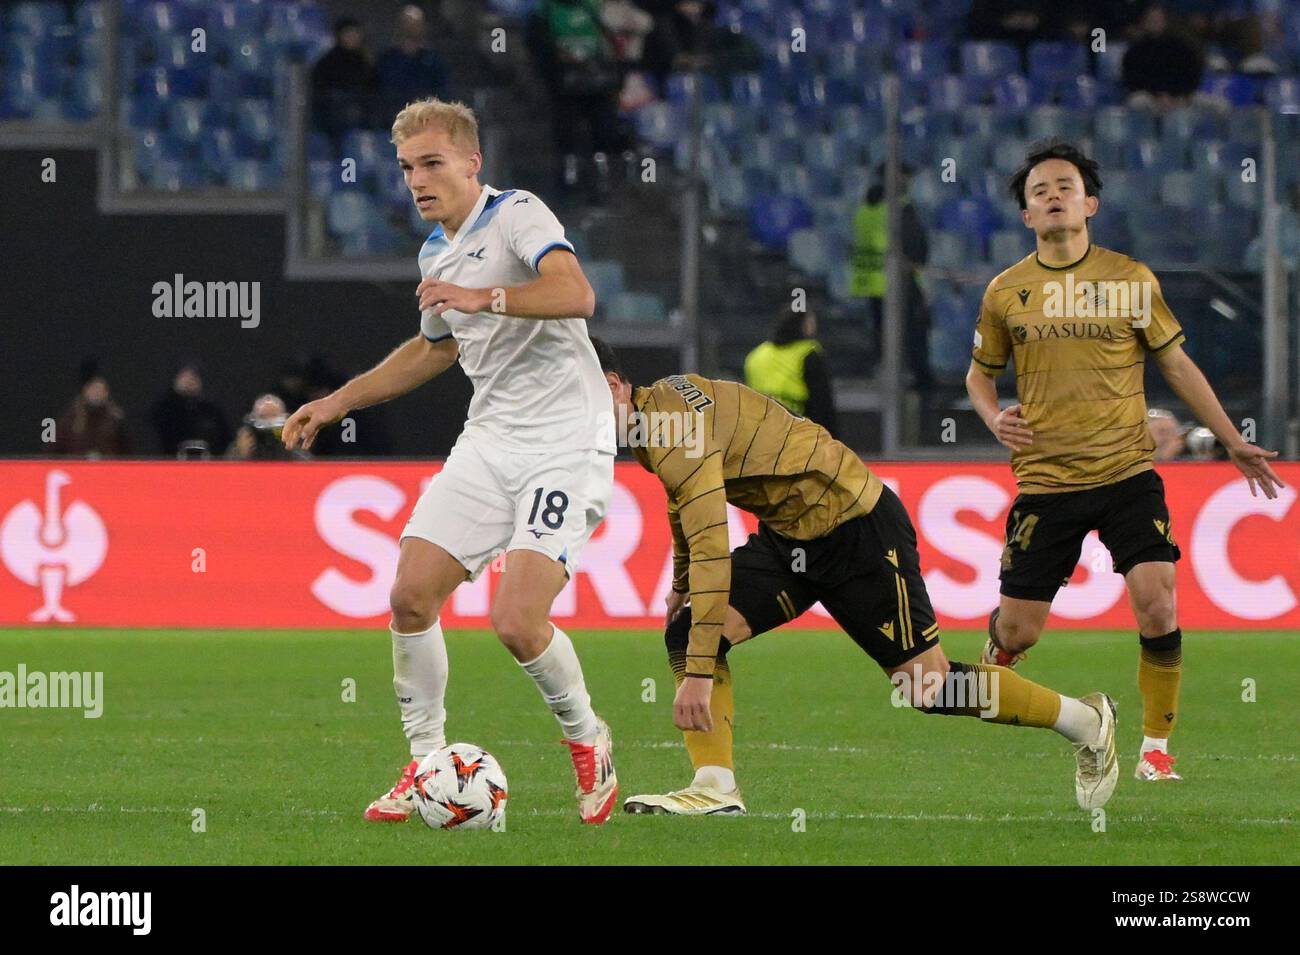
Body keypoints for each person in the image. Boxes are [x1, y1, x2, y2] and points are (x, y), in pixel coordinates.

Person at [590, 338, 1121, 816]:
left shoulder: (668, 425)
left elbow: (709, 543)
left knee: (928, 687)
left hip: (857, 528)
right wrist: (682, 584)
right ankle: (714, 787)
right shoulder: (657, 410)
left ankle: (1086, 722)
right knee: (687, 629)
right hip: (791, 537)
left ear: (613, 385)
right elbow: (685, 507)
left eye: (578, 399)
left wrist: (699, 674)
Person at [282, 98, 619, 825]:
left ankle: (589, 737)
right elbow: (436, 347)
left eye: (432, 163)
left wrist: (481, 295)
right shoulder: (435, 252)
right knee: (409, 595)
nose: (417, 180)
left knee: (517, 620)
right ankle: (426, 762)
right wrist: (337, 401)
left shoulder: (519, 214)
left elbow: (576, 293)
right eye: (406, 168)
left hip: (566, 438)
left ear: (473, 162)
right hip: (492, 440)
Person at [965, 139, 1284, 785]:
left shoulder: (1131, 279)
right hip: (1047, 481)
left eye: (1064, 185)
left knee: (1157, 602)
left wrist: (1231, 438)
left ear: (1091, 203)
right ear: (1028, 216)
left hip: (1127, 473)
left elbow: (1175, 362)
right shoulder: (1006, 292)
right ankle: (1001, 640)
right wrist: (993, 416)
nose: (1052, 194)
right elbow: (979, 375)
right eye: (1039, 191)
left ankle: (1156, 746)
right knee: (1023, 631)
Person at [849, 164, 933, 402]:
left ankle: (889, 383)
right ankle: (920, 386)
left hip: (872, 283)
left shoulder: (865, 209)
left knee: (882, 336)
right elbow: (916, 246)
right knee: (912, 334)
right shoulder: (898, 209)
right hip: (899, 283)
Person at [743, 306, 837, 436]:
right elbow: (822, 404)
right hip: (799, 434)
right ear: (804, 326)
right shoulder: (808, 354)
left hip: (761, 434)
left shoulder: (756, 355)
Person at [311, 17, 379, 142]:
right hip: (333, 122)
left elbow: (373, 91)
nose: (353, 37)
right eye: (349, 33)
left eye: (356, 33)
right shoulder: (327, 62)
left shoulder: (365, 63)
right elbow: (320, 94)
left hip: (361, 119)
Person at [376, 5, 447, 122]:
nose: (410, 28)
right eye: (406, 23)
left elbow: (442, 91)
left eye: (415, 24)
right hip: (391, 121)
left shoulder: (433, 60)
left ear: (423, 26)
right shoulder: (386, 58)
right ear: (399, 25)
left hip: (425, 121)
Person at [151, 364, 232, 457]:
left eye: (194, 376)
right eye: (185, 376)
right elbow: (158, 426)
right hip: (169, 463)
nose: (189, 380)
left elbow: (224, 438)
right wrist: (176, 394)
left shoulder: (212, 411)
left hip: (209, 464)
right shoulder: (165, 409)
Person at [53, 359, 129, 458]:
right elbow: (54, 451)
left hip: (107, 470)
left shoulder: (115, 420)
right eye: (93, 388)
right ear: (85, 390)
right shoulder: (69, 419)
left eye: (101, 389)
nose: (97, 393)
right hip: (76, 470)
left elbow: (126, 453)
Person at [228, 393, 302, 460]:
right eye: (263, 417)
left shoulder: (292, 445)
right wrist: (241, 455)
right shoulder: (243, 444)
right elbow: (224, 471)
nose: (269, 423)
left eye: (274, 416)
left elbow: (309, 467)